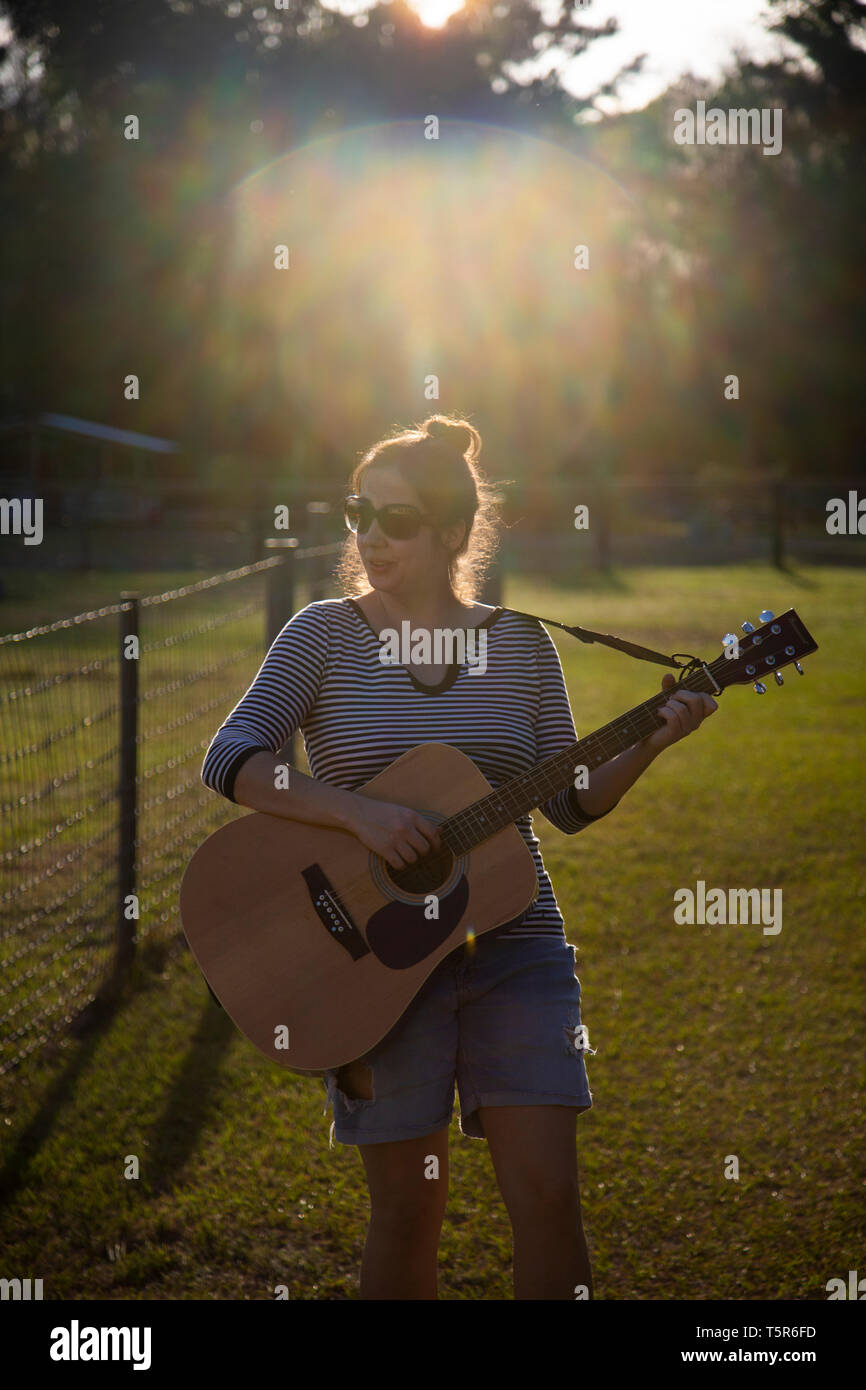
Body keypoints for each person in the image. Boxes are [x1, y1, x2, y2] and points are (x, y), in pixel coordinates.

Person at [200, 413, 717, 1300]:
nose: (367, 536)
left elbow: (568, 803)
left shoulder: (521, 645)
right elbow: (233, 758)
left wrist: (652, 742)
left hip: (514, 943)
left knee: (550, 1201)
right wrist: (357, 817)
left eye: (395, 520)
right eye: (359, 512)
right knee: (407, 1215)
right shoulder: (321, 636)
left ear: (452, 533)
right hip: (369, 964)